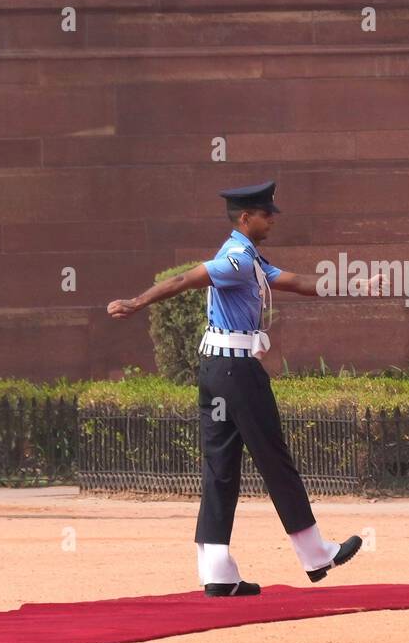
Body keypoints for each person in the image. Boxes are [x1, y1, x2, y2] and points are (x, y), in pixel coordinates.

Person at [107, 180, 370, 597]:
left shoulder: (249, 257)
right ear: (245, 218)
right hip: (235, 371)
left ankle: (217, 571)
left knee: (221, 466)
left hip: (217, 368)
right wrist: (137, 303)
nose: (271, 221)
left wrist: (350, 285)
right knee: (274, 458)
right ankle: (316, 553)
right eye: (266, 215)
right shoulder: (234, 260)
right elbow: (182, 280)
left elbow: (297, 282)